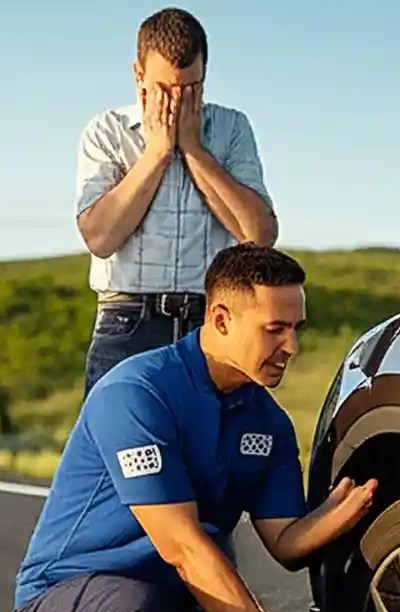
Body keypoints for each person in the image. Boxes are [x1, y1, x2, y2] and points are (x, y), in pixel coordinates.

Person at [5, 244, 376, 612]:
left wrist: (339, 512)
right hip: (72, 596)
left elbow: (284, 541)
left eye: (296, 329)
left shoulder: (269, 423)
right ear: (221, 319)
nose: (292, 347)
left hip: (182, 606)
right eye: (275, 329)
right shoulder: (136, 393)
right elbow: (182, 548)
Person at [75, 7, 279, 396]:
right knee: (118, 450)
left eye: (192, 88)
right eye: (166, 89)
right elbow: (100, 238)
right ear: (139, 74)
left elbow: (259, 235)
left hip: (211, 324)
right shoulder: (106, 131)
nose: (179, 102)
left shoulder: (232, 128)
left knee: (209, 455)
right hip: (127, 321)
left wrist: (194, 150)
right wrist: (156, 153)